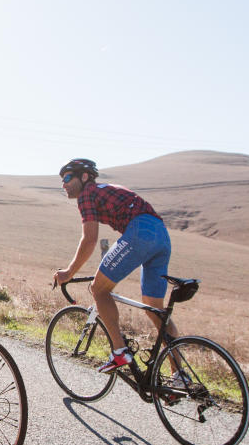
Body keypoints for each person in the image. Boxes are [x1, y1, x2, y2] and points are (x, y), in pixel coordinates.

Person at [52, 158, 179, 373]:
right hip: (161, 236)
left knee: (99, 289)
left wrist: (69, 272)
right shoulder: (105, 189)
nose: (63, 183)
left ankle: (119, 352)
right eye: (62, 179)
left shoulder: (87, 193)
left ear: (84, 177)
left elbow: (89, 239)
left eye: (68, 177)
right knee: (155, 309)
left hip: (141, 231)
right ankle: (179, 375)